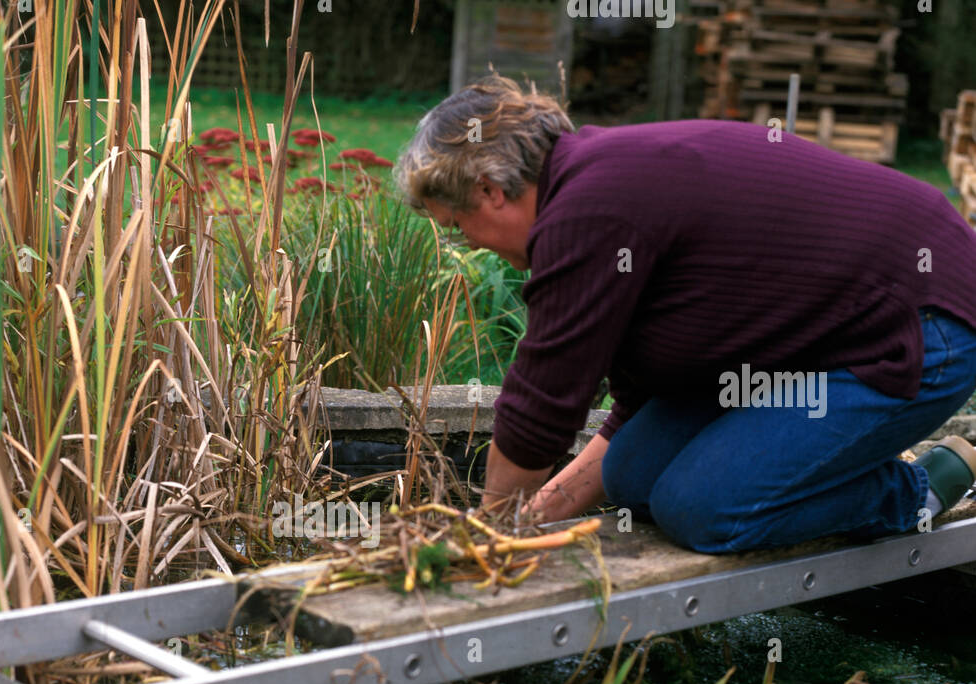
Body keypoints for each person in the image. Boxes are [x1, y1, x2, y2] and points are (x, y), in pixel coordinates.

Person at [394, 75, 976, 552]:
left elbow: (539, 408)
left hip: (922, 325)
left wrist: (485, 539)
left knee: (705, 509)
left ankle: (913, 491)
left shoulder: (586, 213)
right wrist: (538, 515)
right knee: (631, 475)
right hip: (829, 330)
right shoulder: (593, 189)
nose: (466, 243)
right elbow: (641, 397)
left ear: (491, 188)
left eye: (456, 225)